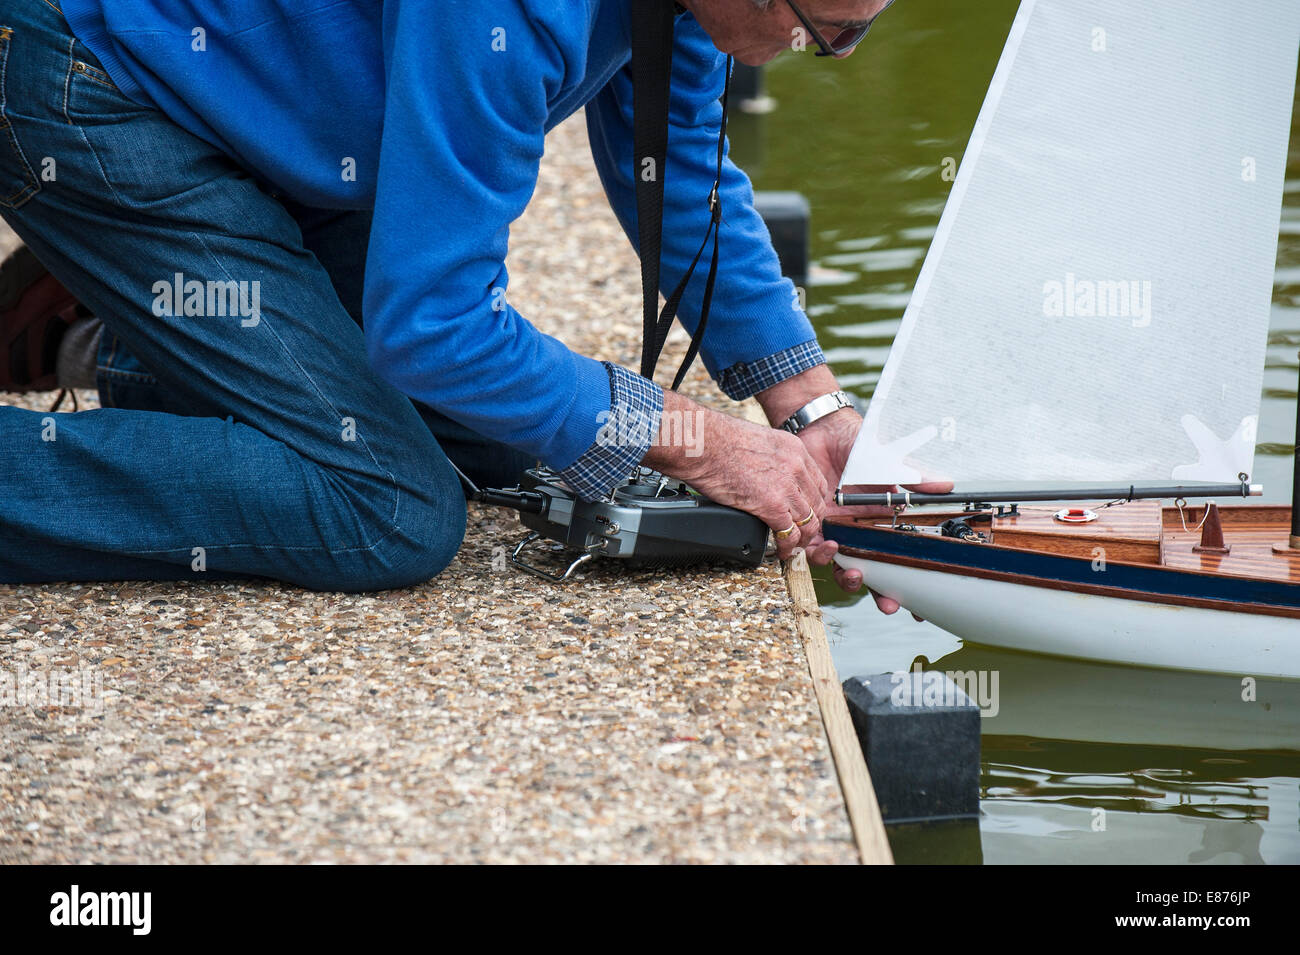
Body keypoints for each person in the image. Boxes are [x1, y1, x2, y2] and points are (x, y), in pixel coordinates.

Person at [0, 0, 936, 606]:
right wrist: (705, 439)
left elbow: (678, 168)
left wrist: (812, 407)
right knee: (388, 506)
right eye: (830, 30)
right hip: (94, 81)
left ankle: (134, 337)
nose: (831, 51)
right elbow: (438, 325)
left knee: (510, 437)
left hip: (255, 110)